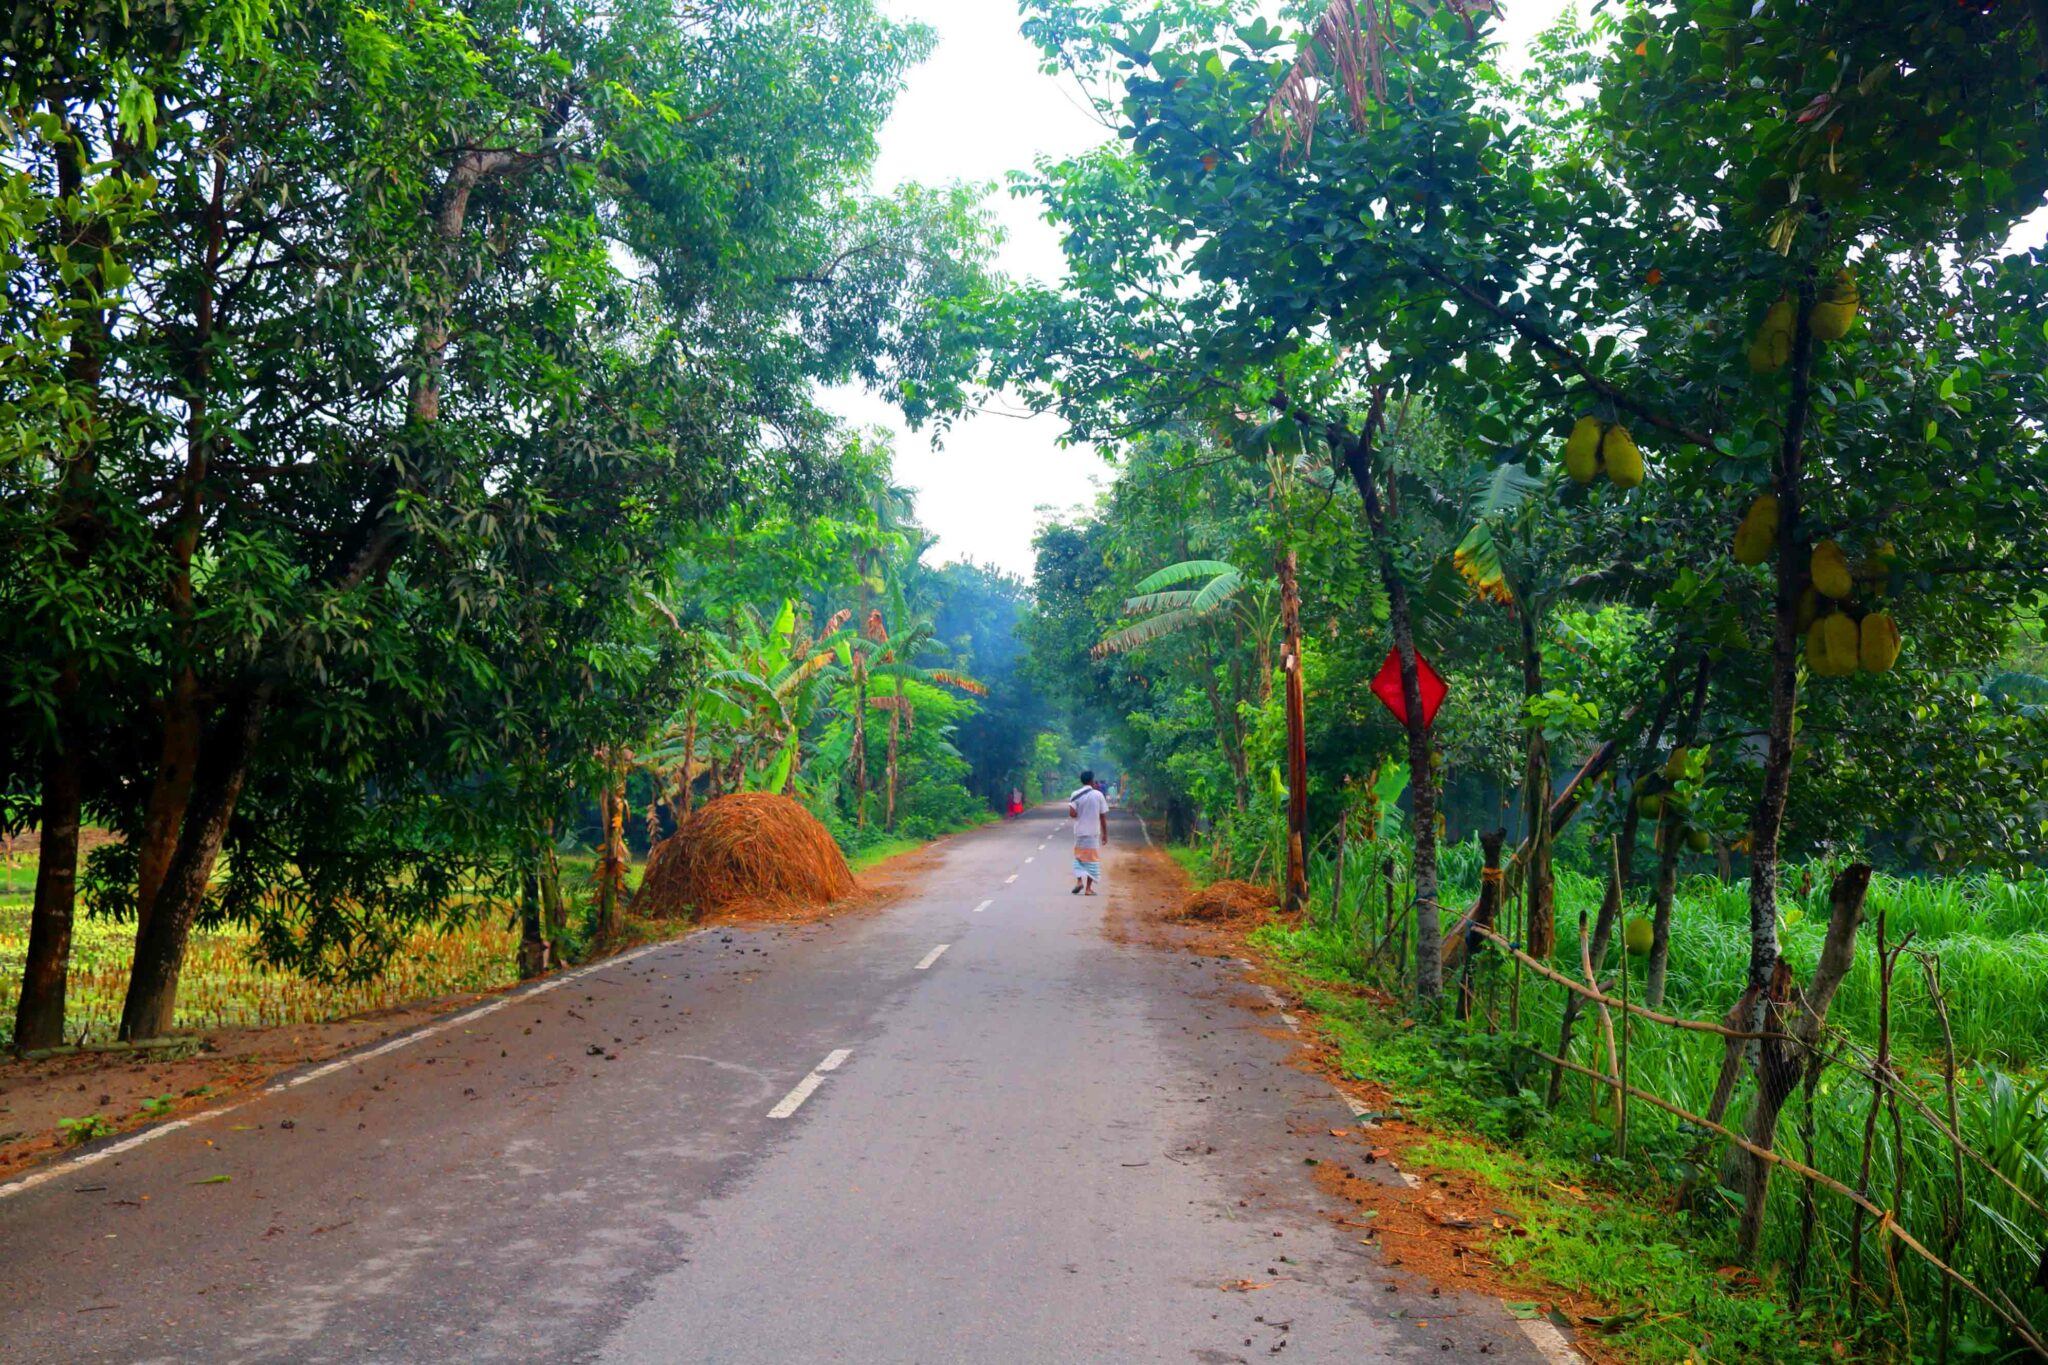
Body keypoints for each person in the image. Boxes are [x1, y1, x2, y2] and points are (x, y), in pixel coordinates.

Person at [1067, 769, 1109, 896]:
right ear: (1091, 780)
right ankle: (1088, 889)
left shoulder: (1075, 794)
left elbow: (1072, 813)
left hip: (1080, 832)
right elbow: (1102, 816)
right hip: (1093, 833)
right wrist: (1105, 833)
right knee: (1092, 860)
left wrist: (1082, 812)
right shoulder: (1098, 795)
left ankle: (1079, 881)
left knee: (1079, 857)